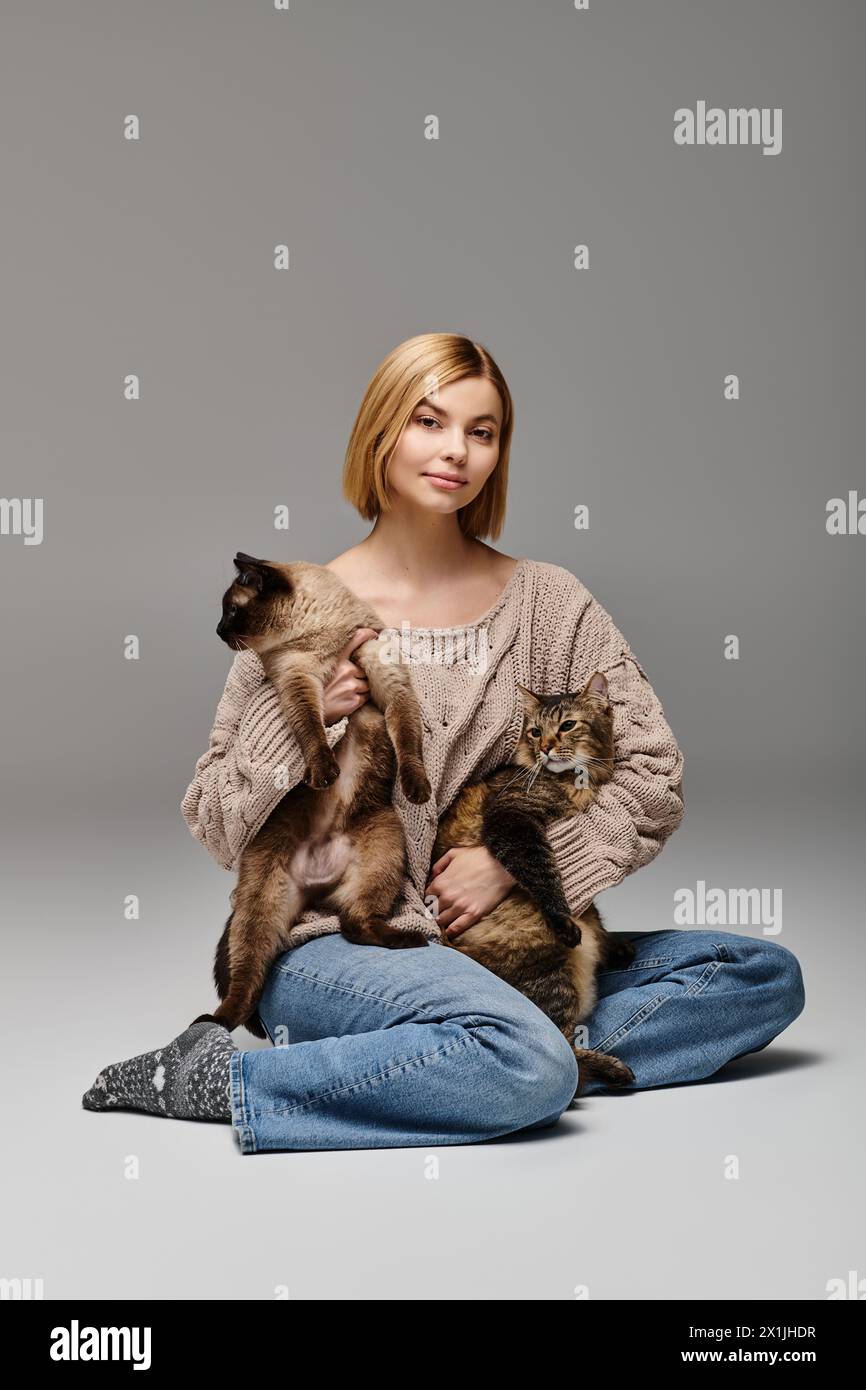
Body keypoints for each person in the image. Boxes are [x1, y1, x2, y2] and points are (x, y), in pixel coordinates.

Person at [82, 332, 805, 1153]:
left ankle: (477, 1051)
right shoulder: (303, 606)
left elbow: (652, 772)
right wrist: (303, 727)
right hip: (343, 944)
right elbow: (213, 821)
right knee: (524, 1065)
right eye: (430, 421)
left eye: (483, 431)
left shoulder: (549, 604)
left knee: (760, 978)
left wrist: (519, 866)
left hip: (502, 940)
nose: (456, 450)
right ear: (382, 430)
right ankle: (230, 1080)